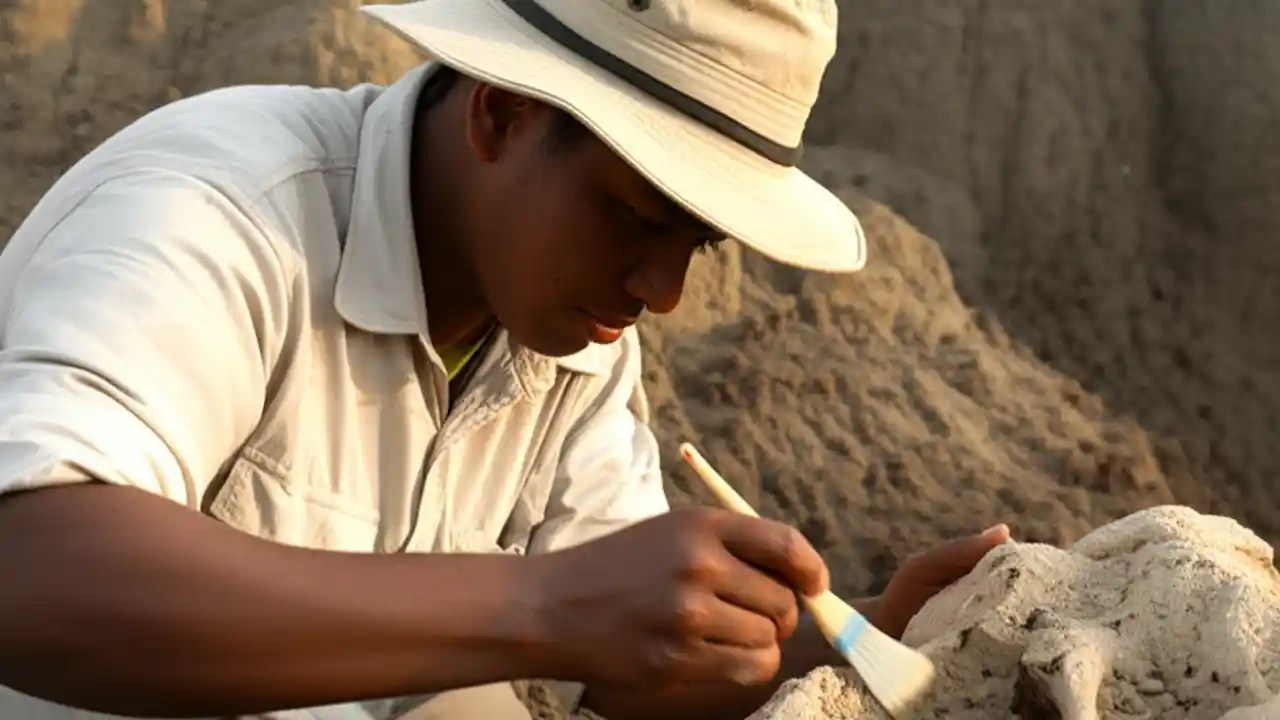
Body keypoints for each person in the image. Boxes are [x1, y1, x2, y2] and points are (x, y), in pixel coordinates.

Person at [0, 0, 1012, 718]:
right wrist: (543, 608)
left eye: (694, 246)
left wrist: (856, 634)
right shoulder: (219, 212)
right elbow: (31, 571)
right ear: (501, 112)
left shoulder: (562, 328)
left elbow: (633, 652)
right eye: (635, 218)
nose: (660, 291)